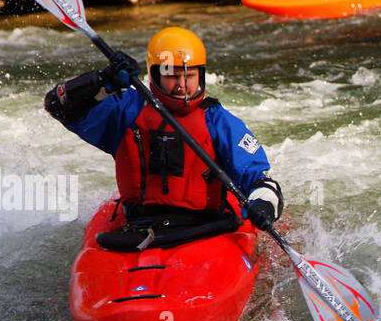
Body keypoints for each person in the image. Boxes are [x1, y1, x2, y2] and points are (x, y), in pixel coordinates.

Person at [44, 26, 282, 246]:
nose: (181, 85)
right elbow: (57, 105)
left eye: (189, 75)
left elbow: (261, 180)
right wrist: (102, 81)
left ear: (201, 75)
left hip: (207, 229)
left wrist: (263, 205)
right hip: (138, 230)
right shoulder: (126, 110)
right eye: (172, 75)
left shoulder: (218, 121)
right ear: (154, 75)